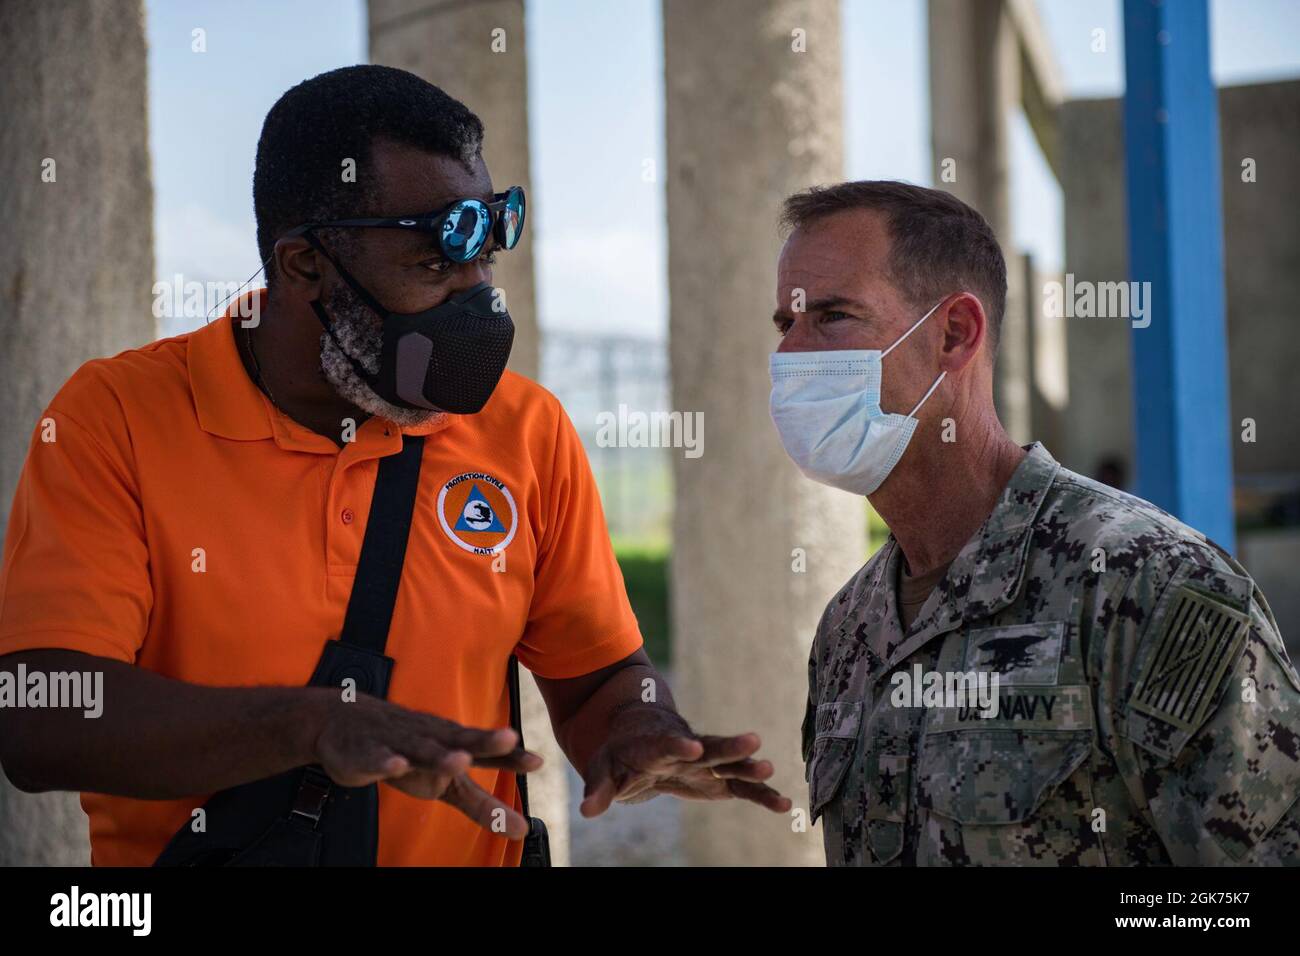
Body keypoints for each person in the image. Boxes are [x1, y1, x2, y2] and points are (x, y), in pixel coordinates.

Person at [0, 65, 788, 867]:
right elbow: (42, 717)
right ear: (305, 264)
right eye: (435, 263)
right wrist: (308, 727)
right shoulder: (118, 417)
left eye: (486, 252)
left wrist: (638, 726)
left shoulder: (523, 429)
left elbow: (598, 677)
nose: (479, 298)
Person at [768, 180, 1300, 866]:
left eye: (832, 317)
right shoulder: (851, 628)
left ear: (954, 335)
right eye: (787, 324)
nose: (791, 357)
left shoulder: (1150, 586)